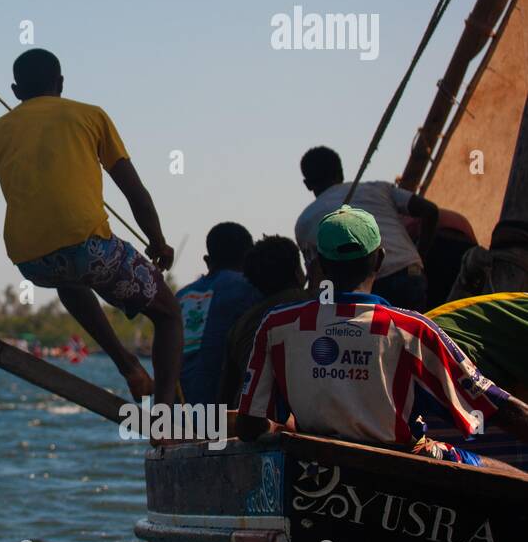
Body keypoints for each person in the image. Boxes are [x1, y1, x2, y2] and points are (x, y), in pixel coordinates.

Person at [0, 49, 182, 404]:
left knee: (69, 281)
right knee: (169, 315)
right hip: (91, 250)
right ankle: (166, 417)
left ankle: (128, 366)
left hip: (34, 263)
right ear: (60, 83)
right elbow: (134, 190)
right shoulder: (91, 116)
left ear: (15, 91)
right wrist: (159, 242)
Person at [238, 207, 528, 468]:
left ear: (321, 265)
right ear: (380, 259)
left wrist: (289, 428)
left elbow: (249, 425)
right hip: (400, 464)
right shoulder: (412, 329)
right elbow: (492, 403)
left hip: (312, 468)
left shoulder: (277, 325)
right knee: (500, 470)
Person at [294, 146, 438, 310]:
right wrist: (420, 255)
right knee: (412, 332)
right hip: (409, 272)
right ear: (340, 172)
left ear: (307, 184)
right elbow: (430, 210)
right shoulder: (377, 189)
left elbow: (318, 274)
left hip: (363, 288)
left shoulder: (304, 222)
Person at [175, 222, 262, 405]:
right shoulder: (250, 289)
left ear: (207, 260)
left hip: (178, 414)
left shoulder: (181, 297)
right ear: (249, 258)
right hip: (220, 415)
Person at [218, 235, 305, 407]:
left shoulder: (241, 324)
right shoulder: (315, 302)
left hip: (248, 416)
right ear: (297, 273)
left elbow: (225, 395)